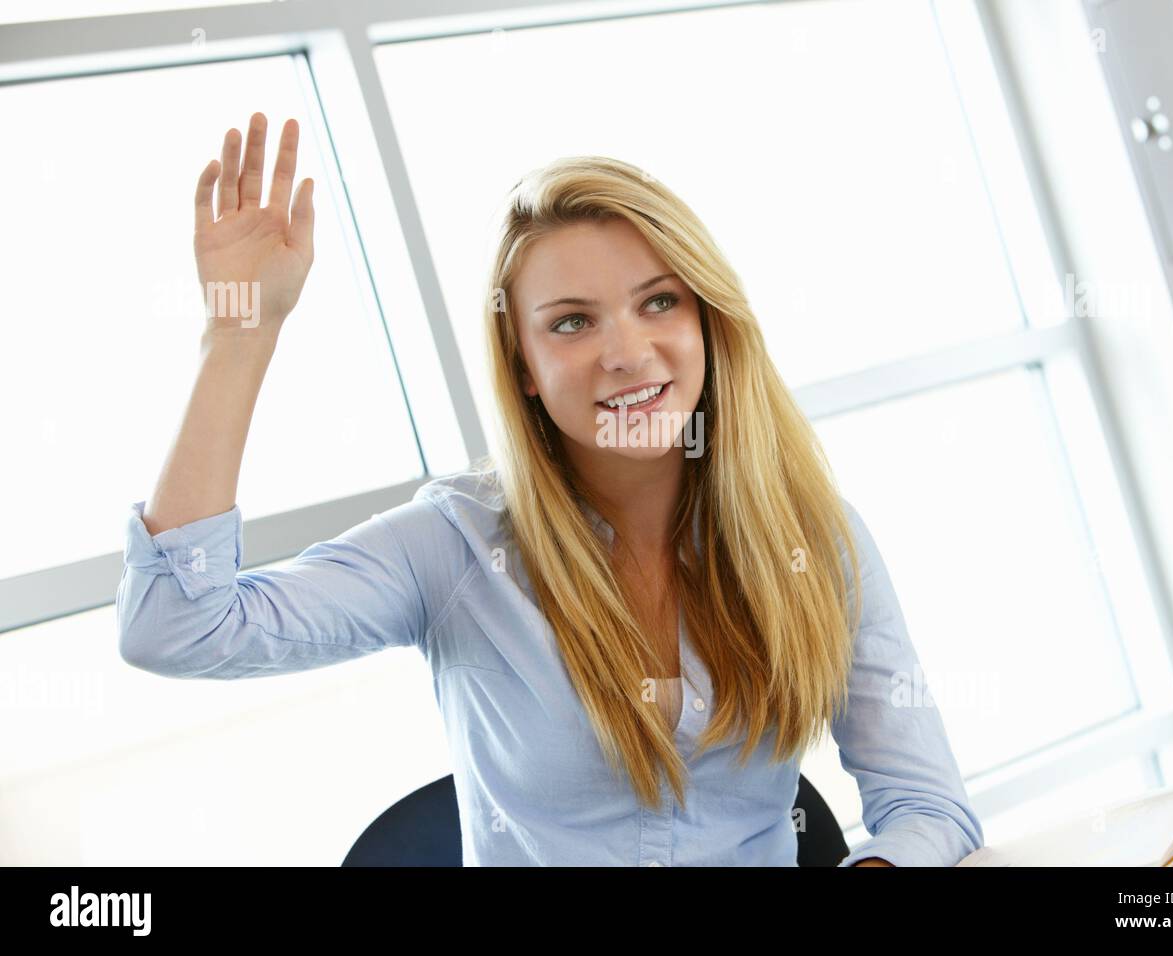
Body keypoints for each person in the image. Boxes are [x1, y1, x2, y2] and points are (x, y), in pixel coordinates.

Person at [117, 111, 983, 867]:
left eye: (658, 303)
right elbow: (176, 628)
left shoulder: (813, 538)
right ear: (523, 368)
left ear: (709, 322)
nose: (625, 353)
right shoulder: (452, 546)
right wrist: (239, 334)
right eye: (571, 322)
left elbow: (927, 805)